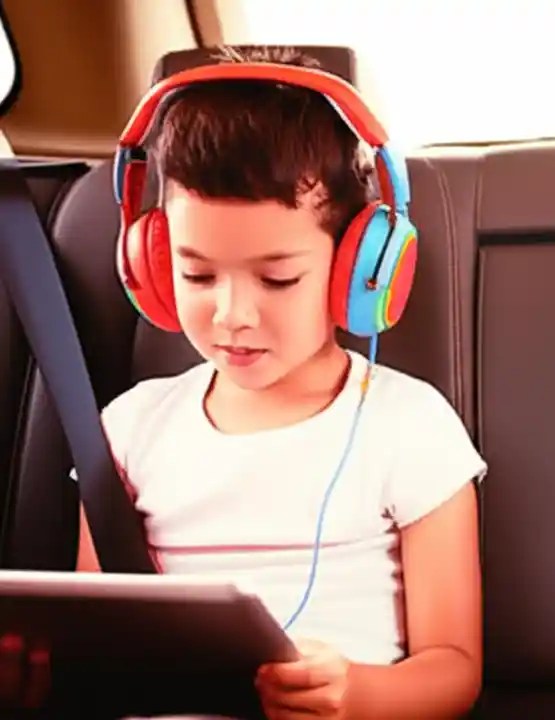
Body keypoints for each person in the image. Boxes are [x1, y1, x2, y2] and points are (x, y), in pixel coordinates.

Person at [0, 46, 486, 719]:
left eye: (278, 279)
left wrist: (358, 693)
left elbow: (454, 671)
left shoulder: (408, 426)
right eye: (197, 275)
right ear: (150, 261)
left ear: (360, 269)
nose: (231, 315)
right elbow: (100, 641)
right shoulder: (129, 431)